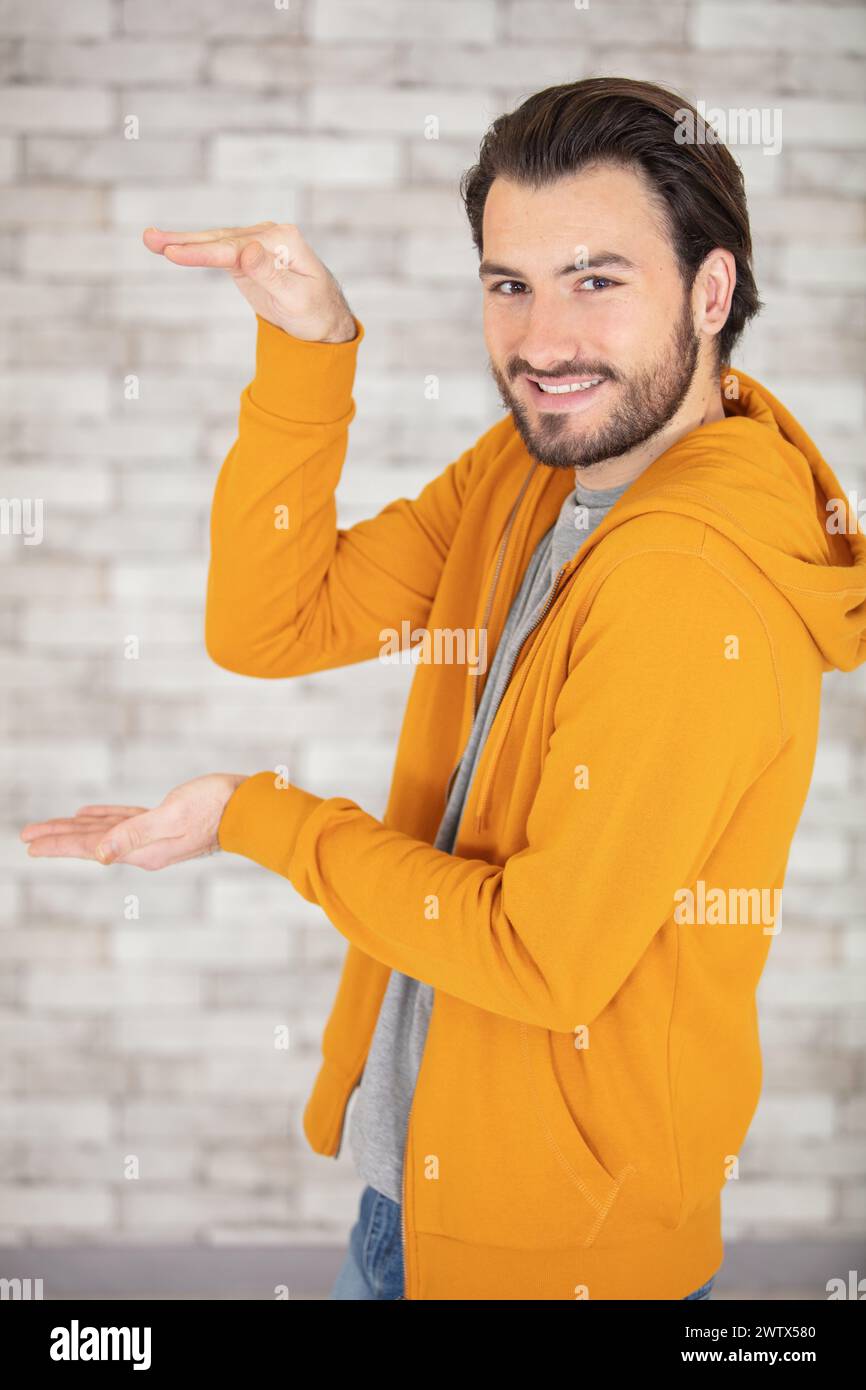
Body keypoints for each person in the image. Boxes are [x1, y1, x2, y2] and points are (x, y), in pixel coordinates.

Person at [21, 77, 866, 1300]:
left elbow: (538, 956)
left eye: (596, 278)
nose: (539, 341)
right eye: (508, 284)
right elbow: (271, 622)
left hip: (554, 1258)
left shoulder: (689, 584)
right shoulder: (535, 471)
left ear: (711, 289)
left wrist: (255, 819)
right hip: (423, 1178)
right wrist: (306, 352)